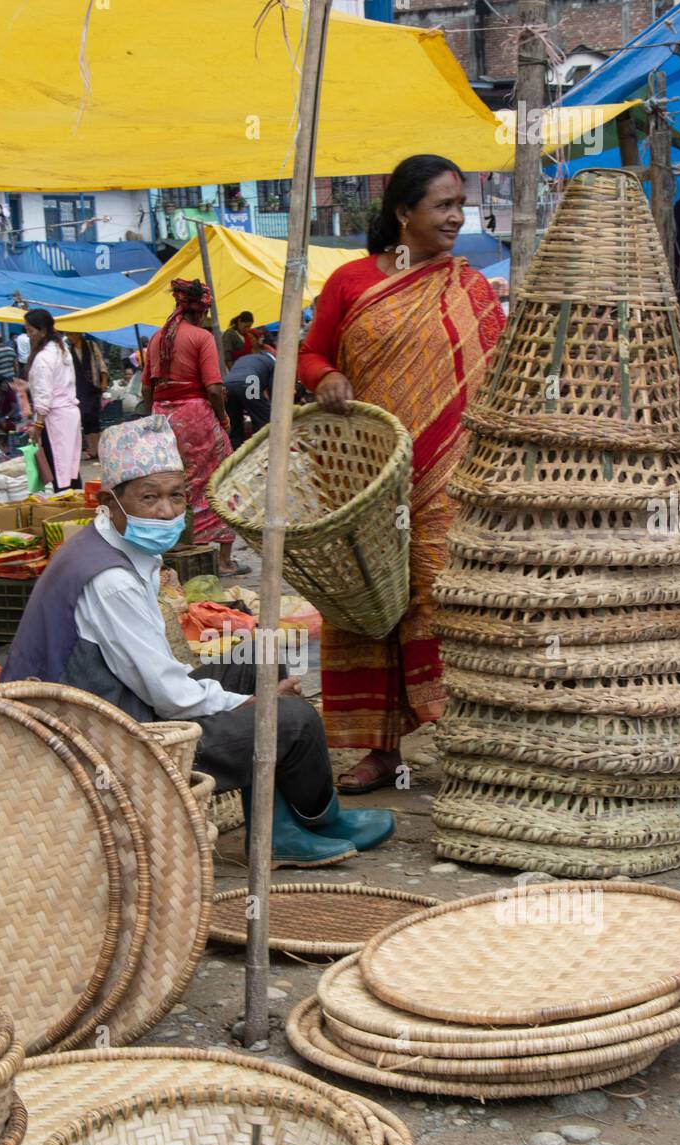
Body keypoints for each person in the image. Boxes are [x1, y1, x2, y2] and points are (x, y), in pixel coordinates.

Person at [1, 415, 393, 868]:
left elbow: (160, 677)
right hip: (114, 743)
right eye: (149, 498)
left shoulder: (112, 545)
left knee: (261, 656)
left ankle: (281, 826)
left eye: (176, 496)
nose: (168, 512)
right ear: (111, 501)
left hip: (124, 707)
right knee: (294, 719)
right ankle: (317, 818)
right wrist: (248, 703)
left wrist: (245, 694)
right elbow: (169, 695)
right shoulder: (110, 578)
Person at [297, 154, 506, 794]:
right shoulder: (351, 280)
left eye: (459, 204)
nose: (456, 216)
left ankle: (465, 736)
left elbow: (497, 377)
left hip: (451, 472)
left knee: (448, 600)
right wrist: (325, 377)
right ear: (403, 212)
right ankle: (379, 751)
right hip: (367, 476)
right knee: (368, 604)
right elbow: (309, 354)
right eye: (443, 205)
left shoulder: (468, 286)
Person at [140, 278, 247, 576]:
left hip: (162, 419)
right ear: (201, 310)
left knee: (174, 484)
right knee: (221, 480)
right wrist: (223, 418)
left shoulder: (156, 338)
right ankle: (224, 561)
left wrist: (155, 418)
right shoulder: (201, 337)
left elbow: (146, 389)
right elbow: (213, 388)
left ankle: (176, 546)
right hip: (196, 416)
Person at [22, 308, 83, 491]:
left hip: (55, 418)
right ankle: (76, 503)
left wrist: (37, 427)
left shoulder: (43, 357)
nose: (29, 336)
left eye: (30, 331)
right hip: (69, 415)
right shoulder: (61, 350)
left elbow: (44, 396)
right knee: (70, 467)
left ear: (42, 331)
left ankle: (67, 506)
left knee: (58, 468)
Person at [224, 339, 275, 450]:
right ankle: (261, 454)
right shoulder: (272, 362)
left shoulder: (245, 358)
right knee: (263, 424)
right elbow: (274, 393)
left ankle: (235, 460)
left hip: (226, 384)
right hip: (249, 382)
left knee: (235, 428)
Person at [66, 331, 108, 459]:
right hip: (79, 389)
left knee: (94, 418)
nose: (70, 337)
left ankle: (100, 449)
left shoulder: (90, 345)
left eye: (71, 334)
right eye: (68, 335)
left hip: (93, 386)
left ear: (78, 334)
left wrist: (104, 381)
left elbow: (101, 363)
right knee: (85, 418)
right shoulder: (68, 351)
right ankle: (92, 450)